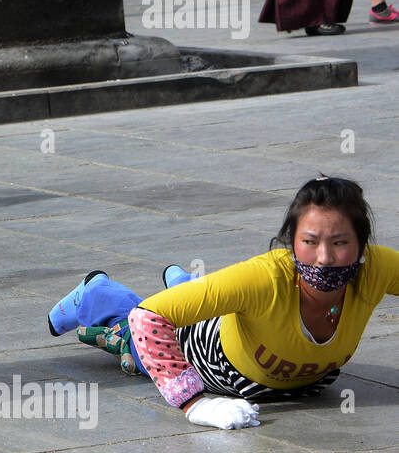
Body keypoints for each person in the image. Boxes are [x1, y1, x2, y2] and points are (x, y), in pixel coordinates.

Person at [52, 176, 396, 430]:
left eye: (340, 243)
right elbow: (149, 318)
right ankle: (97, 293)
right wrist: (195, 404)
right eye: (309, 242)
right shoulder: (264, 278)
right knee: (135, 339)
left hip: (284, 370)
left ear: (362, 245)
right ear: (291, 242)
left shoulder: (376, 269)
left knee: (208, 294)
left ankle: (188, 286)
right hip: (205, 352)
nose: (324, 258)